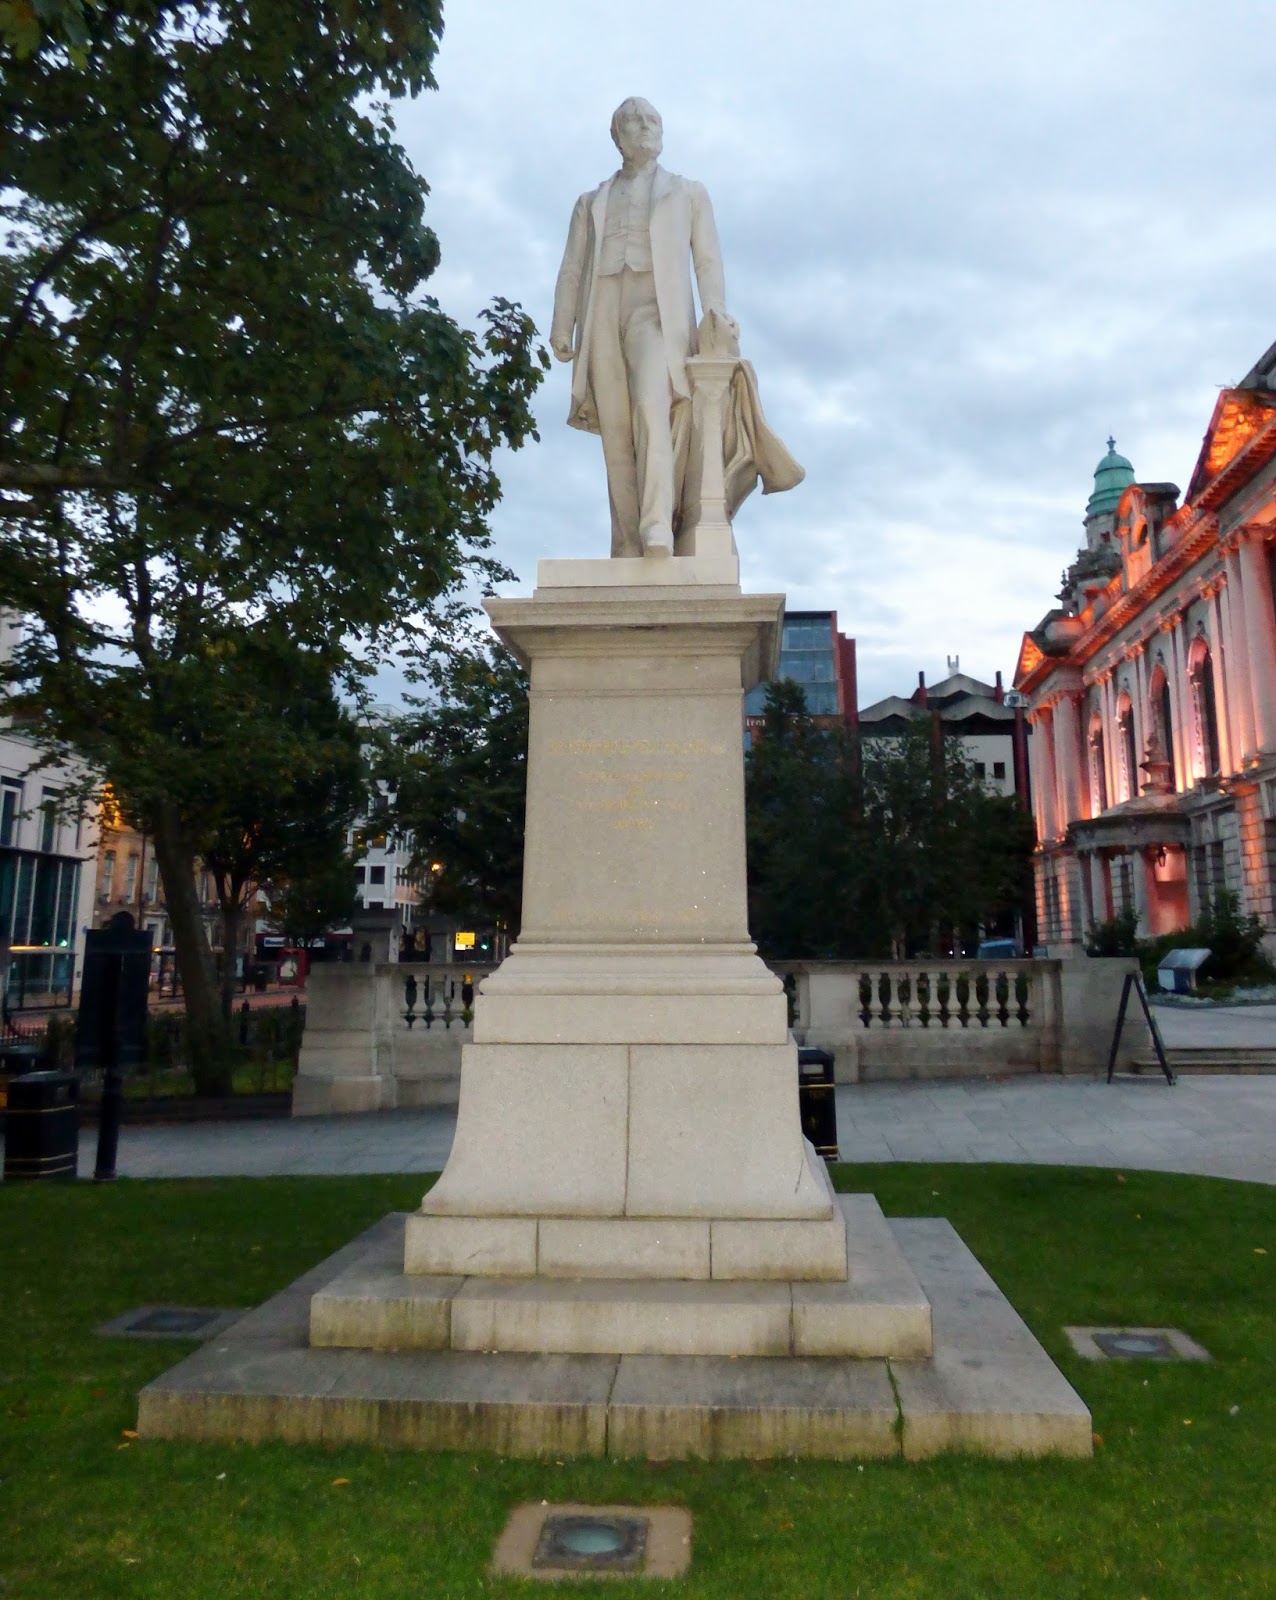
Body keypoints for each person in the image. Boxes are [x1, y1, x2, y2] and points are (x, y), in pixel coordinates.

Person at [550, 97, 737, 559]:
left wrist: (714, 311)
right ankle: (627, 541)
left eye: (653, 120)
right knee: (615, 427)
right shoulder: (591, 202)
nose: (647, 126)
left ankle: (657, 528)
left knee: (650, 407)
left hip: (656, 310)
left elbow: (707, 259)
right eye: (636, 121)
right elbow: (572, 268)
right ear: (618, 137)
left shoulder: (687, 192)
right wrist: (562, 324)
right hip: (602, 307)